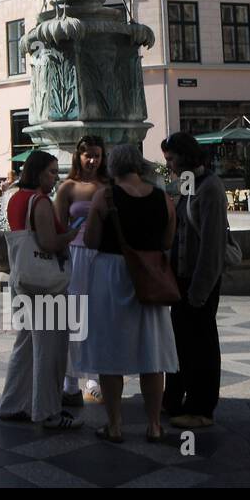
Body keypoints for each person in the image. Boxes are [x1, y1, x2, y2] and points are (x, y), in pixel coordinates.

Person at [77, 144, 178, 443]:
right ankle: (154, 425)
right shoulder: (163, 198)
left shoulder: (104, 197)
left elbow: (92, 240)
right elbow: (168, 239)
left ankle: (115, 425)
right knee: (151, 352)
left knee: (109, 349)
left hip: (111, 275)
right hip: (149, 275)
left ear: (113, 167)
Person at [0, 151, 80, 430]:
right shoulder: (40, 201)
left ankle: (13, 404)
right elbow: (48, 243)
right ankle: (48, 412)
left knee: (26, 345)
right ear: (37, 173)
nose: (55, 178)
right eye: (51, 172)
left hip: (23, 279)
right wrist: (70, 234)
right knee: (51, 349)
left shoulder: (14, 198)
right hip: (46, 286)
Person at [160, 132, 227, 431]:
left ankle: (202, 408)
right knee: (181, 343)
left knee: (202, 345)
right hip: (181, 279)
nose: (169, 166)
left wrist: (200, 290)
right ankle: (174, 399)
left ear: (185, 156)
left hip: (199, 281)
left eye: (171, 159)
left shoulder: (211, 187)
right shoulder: (190, 183)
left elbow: (213, 245)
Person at [54, 136, 108, 408]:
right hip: (74, 255)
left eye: (97, 155)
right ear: (78, 156)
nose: (92, 160)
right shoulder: (68, 188)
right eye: (88, 155)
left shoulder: (107, 186)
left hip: (102, 257)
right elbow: (57, 226)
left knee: (98, 317)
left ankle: (94, 378)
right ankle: (70, 381)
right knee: (75, 318)